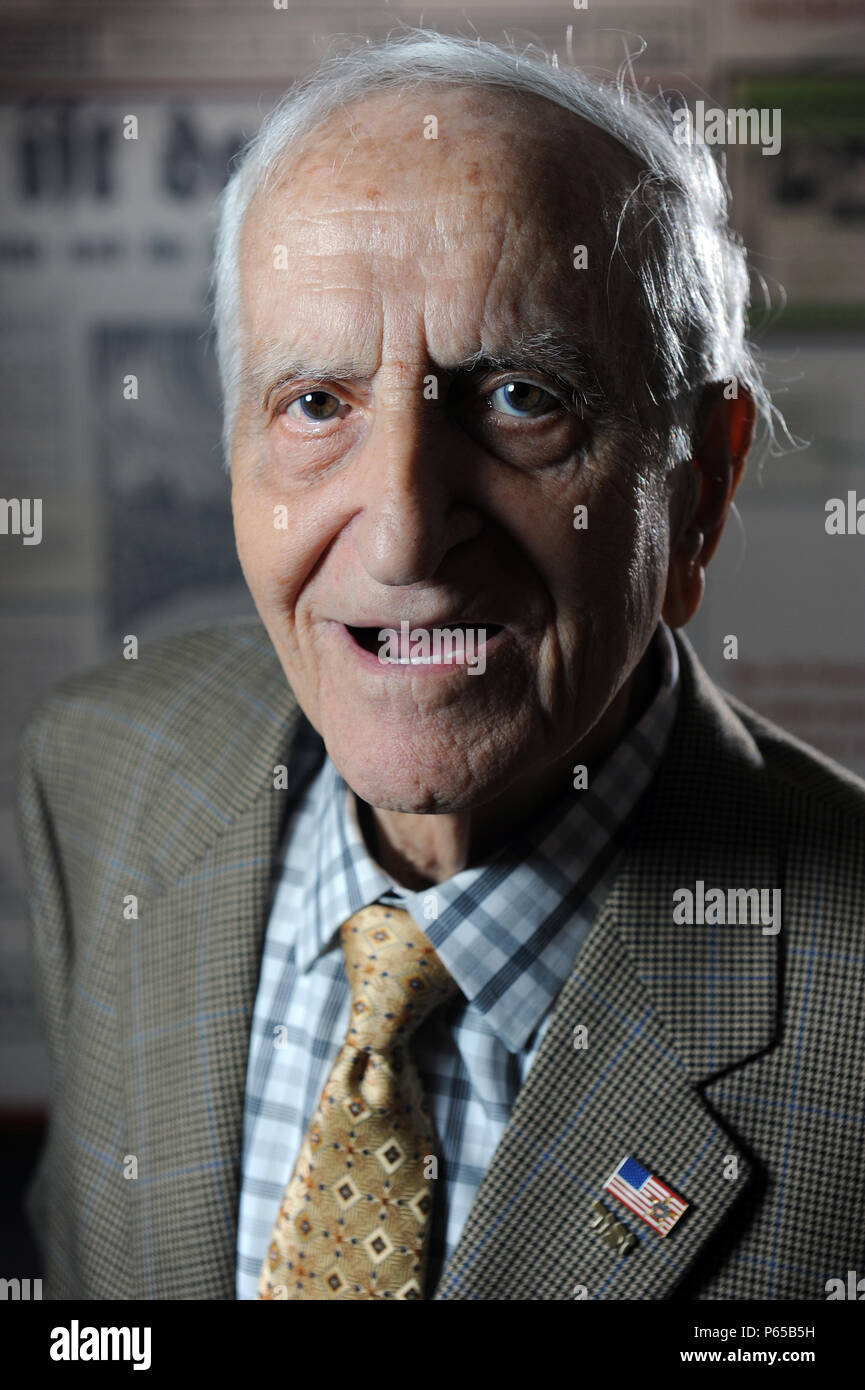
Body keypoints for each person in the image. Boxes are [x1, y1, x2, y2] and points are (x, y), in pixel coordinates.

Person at [17, 31, 865, 1301]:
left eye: (522, 397)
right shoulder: (91, 774)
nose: (406, 532)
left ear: (696, 490)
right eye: (316, 404)